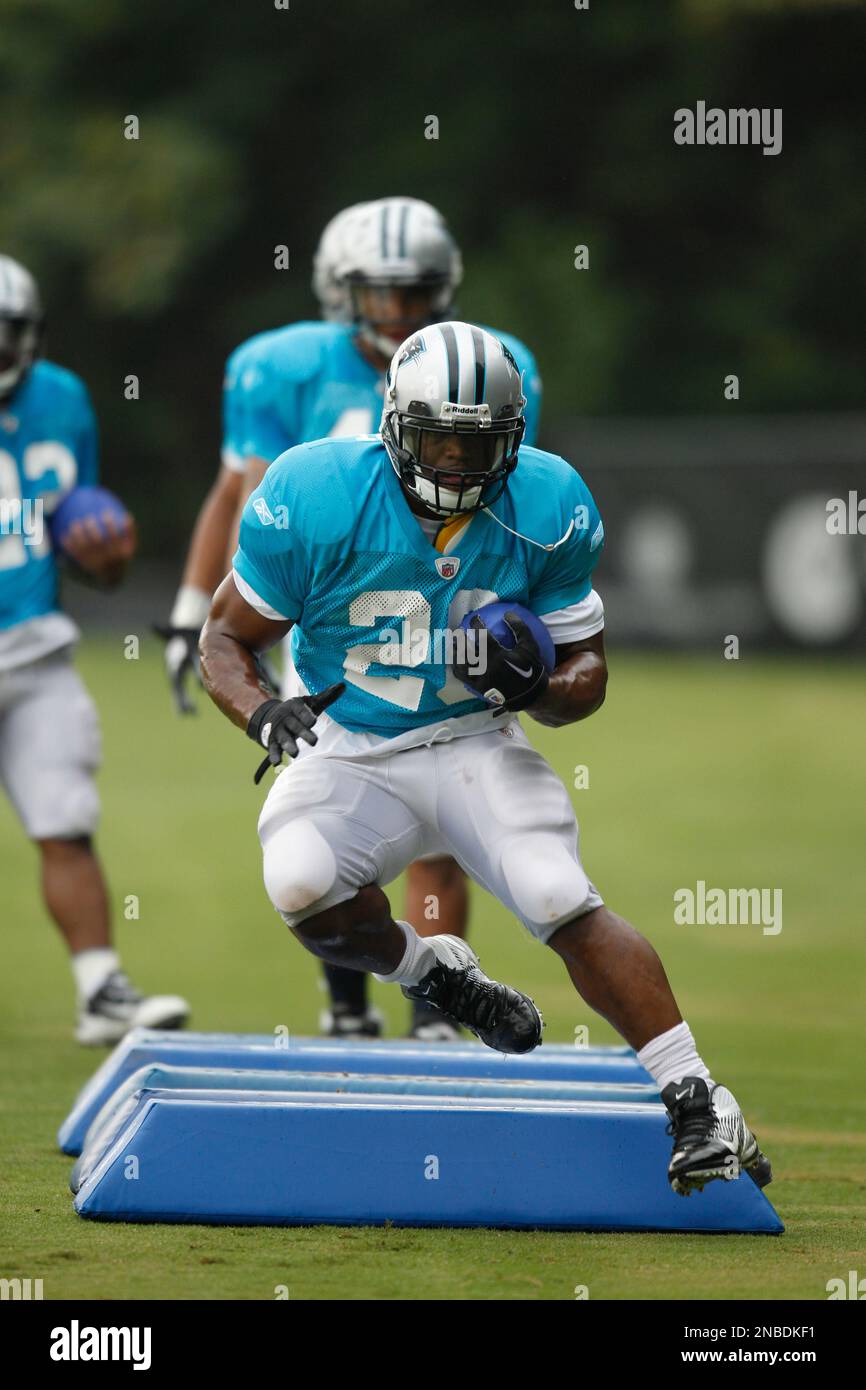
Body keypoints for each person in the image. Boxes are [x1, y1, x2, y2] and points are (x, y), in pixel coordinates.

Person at [199, 321, 773, 1197]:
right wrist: (261, 711)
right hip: (351, 745)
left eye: (480, 445)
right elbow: (224, 640)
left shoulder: (548, 501)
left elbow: (590, 675)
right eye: (439, 439)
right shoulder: (314, 490)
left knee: (554, 890)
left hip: (476, 740)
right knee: (299, 883)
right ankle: (434, 974)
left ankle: (698, 1096)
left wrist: (536, 679)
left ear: (514, 439)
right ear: (395, 425)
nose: (458, 465)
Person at [159, 197, 542, 1041]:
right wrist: (200, 612)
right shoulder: (283, 365)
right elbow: (245, 495)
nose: (400, 311)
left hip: (442, 598)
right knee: (327, 807)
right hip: (326, 611)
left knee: (440, 811)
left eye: (416, 292)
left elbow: (504, 502)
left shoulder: (487, 366)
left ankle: (436, 1002)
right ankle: (346, 1002)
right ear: (342, 289)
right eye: (381, 292)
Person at [0, 254, 190, 1044]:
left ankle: (99, 990)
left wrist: (103, 559)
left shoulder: (63, 399)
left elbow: (76, 538)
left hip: (37, 649)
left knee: (66, 818)